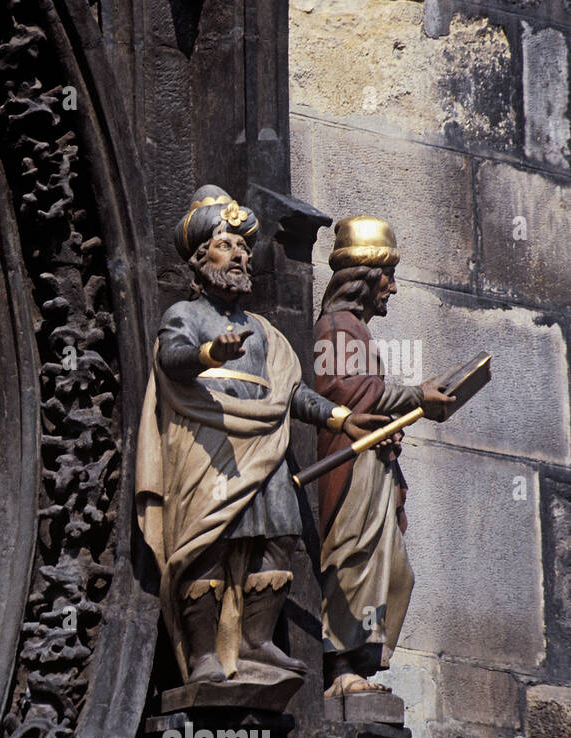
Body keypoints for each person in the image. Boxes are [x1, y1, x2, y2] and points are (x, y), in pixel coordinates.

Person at [136, 186, 387, 685]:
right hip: (206, 443)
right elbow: (170, 361)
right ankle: (205, 654)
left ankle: (256, 642)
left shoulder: (262, 329)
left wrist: (340, 418)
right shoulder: (185, 317)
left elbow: (290, 392)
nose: (240, 257)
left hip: (264, 445)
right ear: (199, 256)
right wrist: (210, 355)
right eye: (227, 245)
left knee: (279, 538)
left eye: (244, 249)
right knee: (205, 543)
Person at [313, 217, 453, 697]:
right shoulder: (336, 326)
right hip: (349, 465)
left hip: (373, 465)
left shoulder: (356, 331)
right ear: (365, 279)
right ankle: (340, 666)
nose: (392, 287)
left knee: (393, 570)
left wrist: (414, 402)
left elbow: (365, 391)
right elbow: (345, 390)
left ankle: (360, 660)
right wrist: (416, 396)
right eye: (387, 275)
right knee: (354, 556)